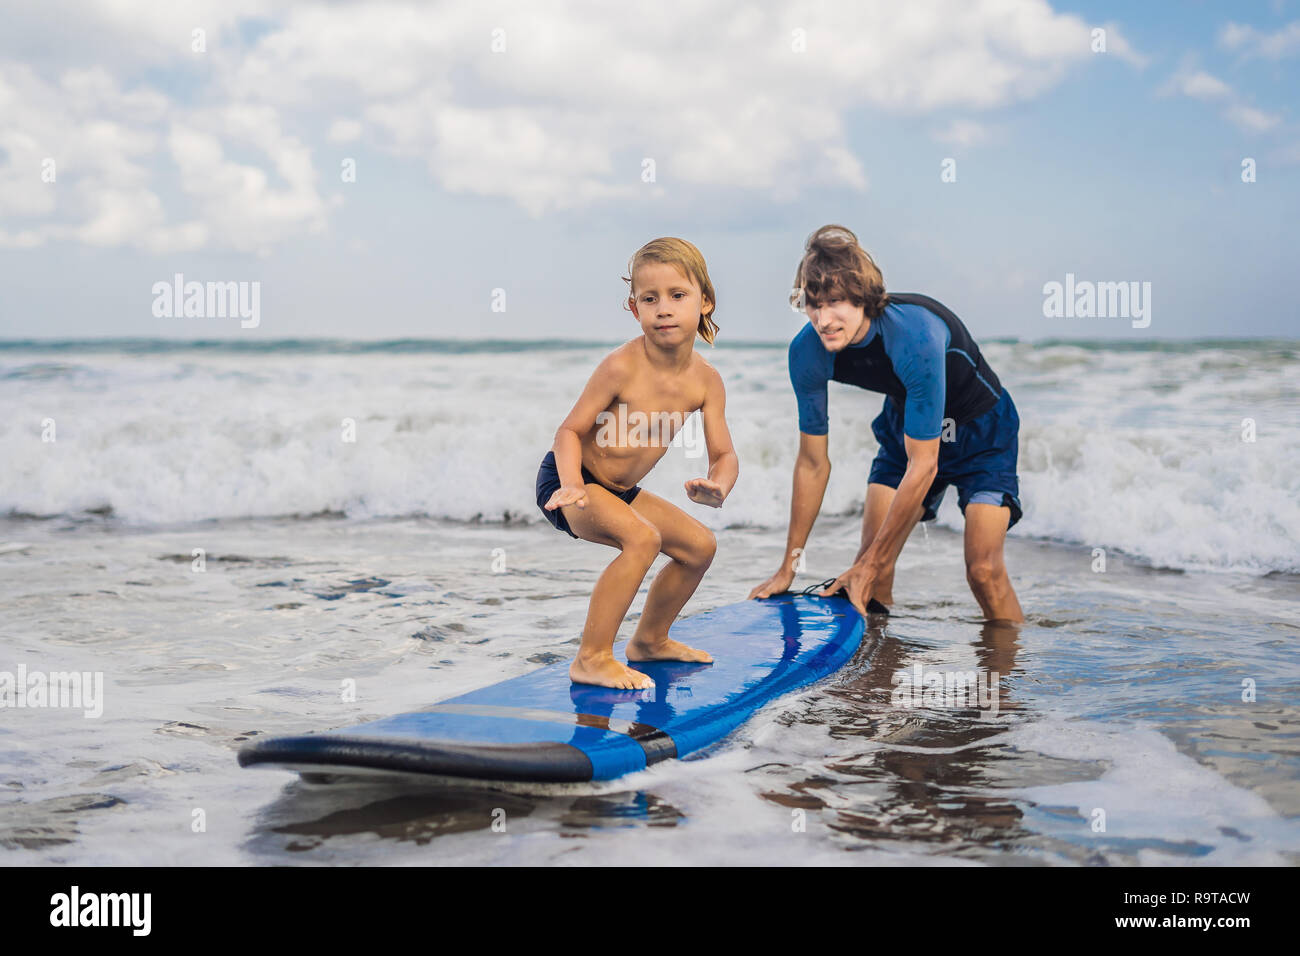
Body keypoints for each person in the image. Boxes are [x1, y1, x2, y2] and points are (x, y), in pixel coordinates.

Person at [748, 224, 1023, 622]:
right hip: (905, 425)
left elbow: (925, 464)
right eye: (813, 304)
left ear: (862, 296)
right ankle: (881, 671)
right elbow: (812, 463)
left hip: (981, 432)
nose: (823, 319)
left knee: (983, 571)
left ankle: (1009, 674)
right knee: (872, 571)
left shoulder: (914, 336)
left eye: (836, 301)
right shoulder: (807, 354)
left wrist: (870, 564)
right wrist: (789, 567)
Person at [536, 237, 740, 689]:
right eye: (650, 299)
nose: (663, 308)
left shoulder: (706, 381)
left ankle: (649, 640)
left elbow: (723, 454)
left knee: (699, 548)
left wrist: (718, 485)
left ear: (705, 301)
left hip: (619, 491)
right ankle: (590, 658)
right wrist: (571, 485)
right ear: (635, 309)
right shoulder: (621, 366)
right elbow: (568, 431)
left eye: (677, 295)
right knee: (642, 540)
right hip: (570, 479)